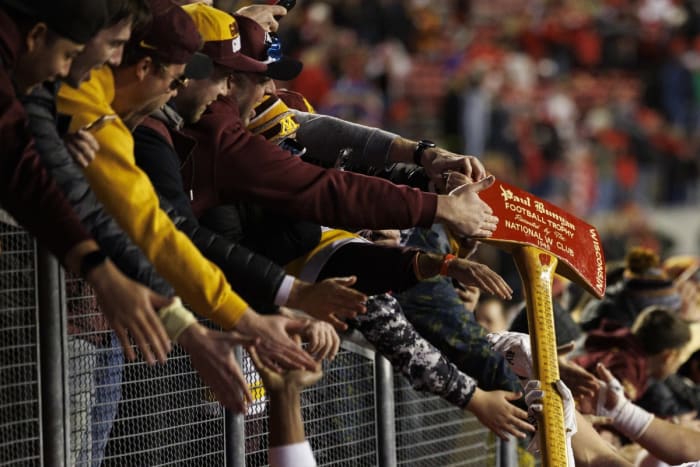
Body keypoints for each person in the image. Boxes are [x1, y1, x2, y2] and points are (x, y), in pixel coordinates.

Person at [54, 0, 317, 371]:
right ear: (145, 66)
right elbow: (160, 230)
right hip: (64, 328)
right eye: (177, 79)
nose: (179, 91)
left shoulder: (106, 120)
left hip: (91, 322)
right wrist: (244, 316)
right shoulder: (90, 112)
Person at [573, 306, 691, 402]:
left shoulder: (625, 348)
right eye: (679, 359)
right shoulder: (626, 369)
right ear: (669, 357)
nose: (676, 368)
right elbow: (609, 415)